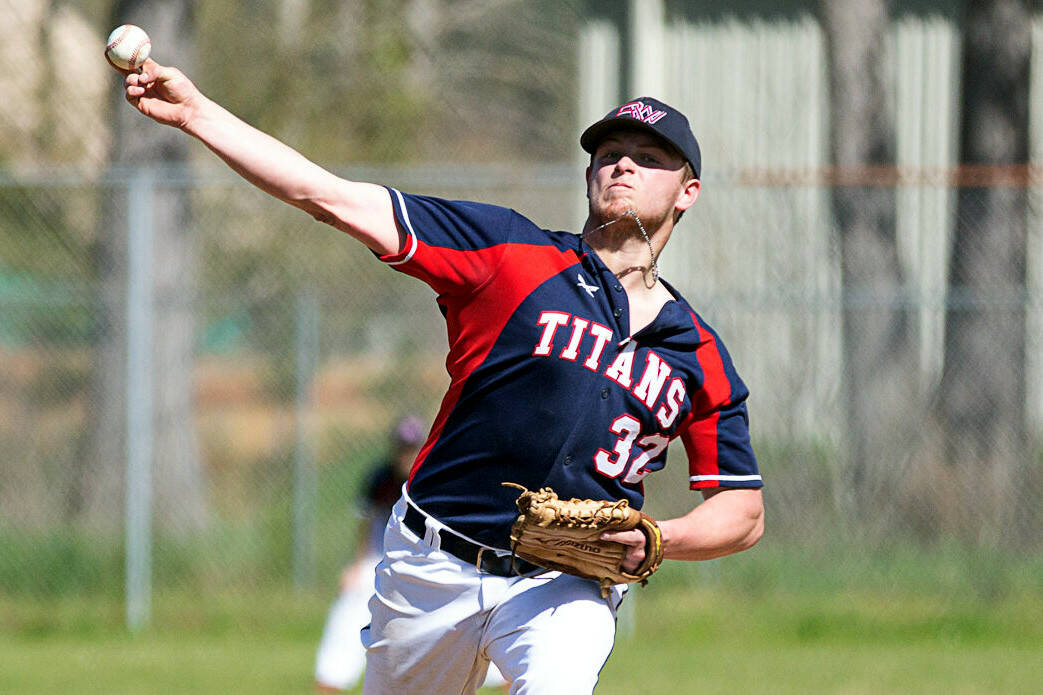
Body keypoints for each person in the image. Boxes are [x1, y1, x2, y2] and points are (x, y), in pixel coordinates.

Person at [113, 54, 765, 695]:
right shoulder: (510, 254)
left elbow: (742, 510)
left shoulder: (696, 351)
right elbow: (328, 196)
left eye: (648, 157)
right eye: (609, 151)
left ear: (688, 192)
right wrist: (197, 113)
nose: (622, 162)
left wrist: (658, 539)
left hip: (566, 581)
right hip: (431, 566)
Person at [314, 415, 507, 692]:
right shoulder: (380, 478)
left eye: (411, 447)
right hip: (378, 559)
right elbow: (366, 524)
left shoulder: (438, 474)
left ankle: (504, 679)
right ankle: (330, 678)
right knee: (350, 605)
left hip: (435, 559)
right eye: (402, 448)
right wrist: (355, 566)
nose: (406, 455)